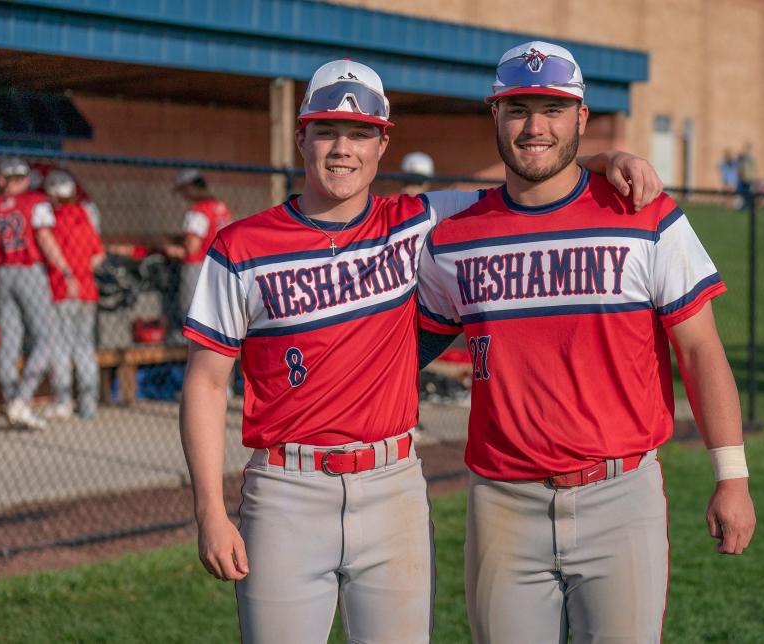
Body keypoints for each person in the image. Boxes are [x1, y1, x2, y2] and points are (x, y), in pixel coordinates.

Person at [179, 58, 663, 643]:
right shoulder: (241, 246)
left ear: (382, 144)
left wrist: (605, 159)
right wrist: (210, 510)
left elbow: (534, 176)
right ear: (301, 138)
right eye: (327, 131)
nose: (342, 149)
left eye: (360, 134)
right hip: (286, 487)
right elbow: (206, 383)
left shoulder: (418, 222)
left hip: (394, 485)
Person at [417, 41, 756, 643]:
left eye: (552, 110)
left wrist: (732, 478)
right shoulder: (454, 233)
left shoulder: (644, 213)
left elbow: (700, 349)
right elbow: (400, 349)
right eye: (518, 109)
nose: (534, 127)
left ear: (581, 116)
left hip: (619, 494)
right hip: (502, 500)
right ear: (494, 114)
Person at [0, 157, 76, 430]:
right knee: (46, 338)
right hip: (29, 270)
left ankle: (11, 401)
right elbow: (44, 238)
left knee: (9, 341)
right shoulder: (34, 202)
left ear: (1, 180)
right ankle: (21, 399)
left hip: (2, 273)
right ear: (26, 179)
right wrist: (66, 270)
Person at [42, 170, 105, 419]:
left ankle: (63, 401)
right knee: (84, 347)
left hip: (62, 288)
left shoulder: (54, 219)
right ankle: (88, 404)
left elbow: (51, 252)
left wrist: (69, 274)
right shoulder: (83, 215)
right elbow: (98, 256)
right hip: (87, 289)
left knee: (60, 346)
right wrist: (81, 272)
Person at [165, 169, 231, 342]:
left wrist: (174, 246)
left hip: (197, 266)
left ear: (191, 187)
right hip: (220, 265)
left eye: (183, 190)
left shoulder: (198, 210)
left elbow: (192, 246)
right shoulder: (220, 206)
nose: (183, 196)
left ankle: (191, 345)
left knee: (192, 312)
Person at [737, 142, 757, 211]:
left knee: (748, 193)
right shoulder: (742, 158)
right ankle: (741, 206)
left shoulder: (751, 158)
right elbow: (739, 167)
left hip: (748, 178)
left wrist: (752, 177)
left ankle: (747, 206)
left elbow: (753, 168)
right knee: (741, 193)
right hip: (742, 178)